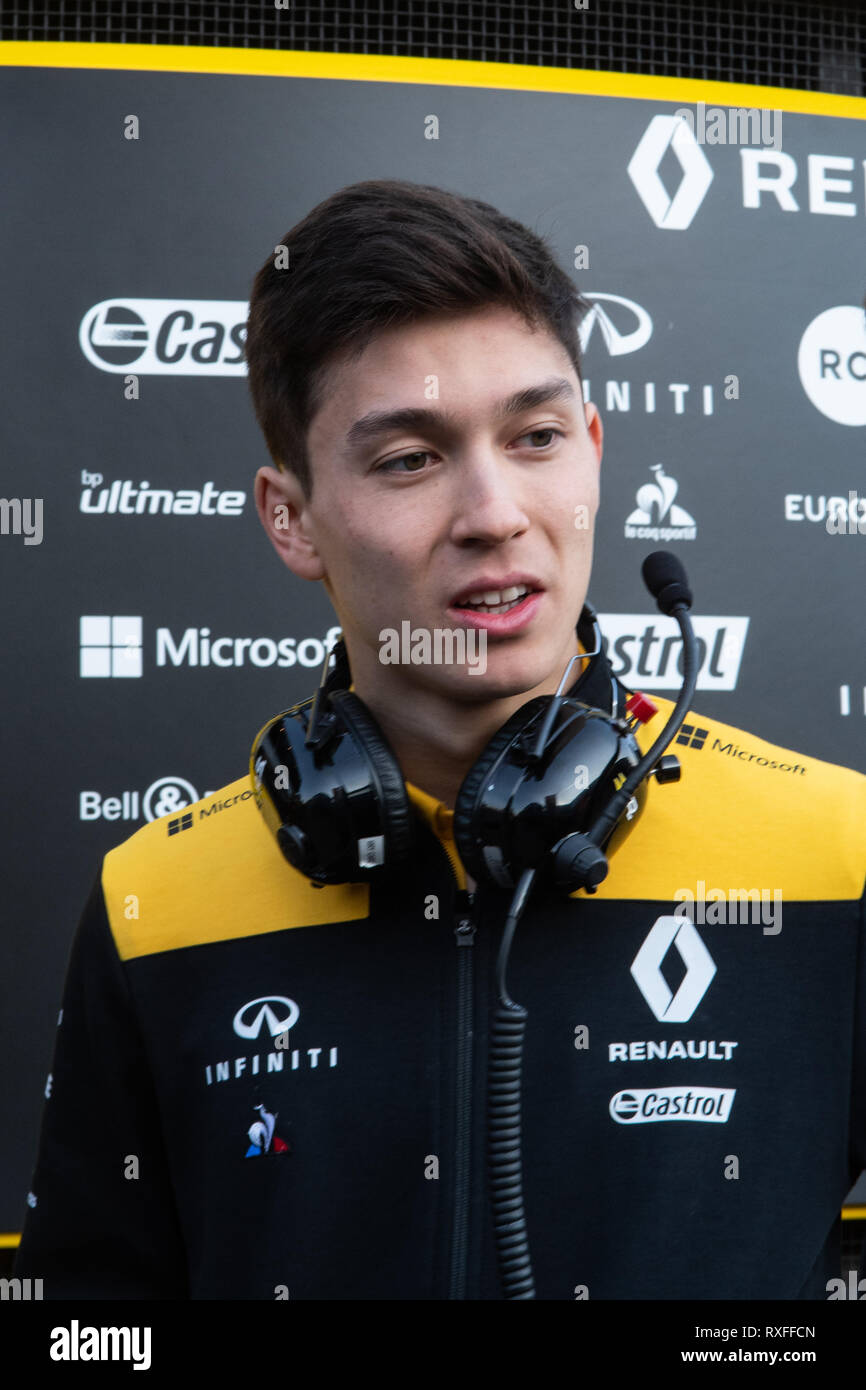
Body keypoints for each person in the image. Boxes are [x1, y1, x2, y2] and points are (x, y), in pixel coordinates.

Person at [14, 180, 866, 1300]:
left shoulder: (836, 853)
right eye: (410, 457)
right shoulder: (150, 899)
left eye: (536, 436)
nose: (493, 510)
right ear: (289, 516)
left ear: (595, 451)